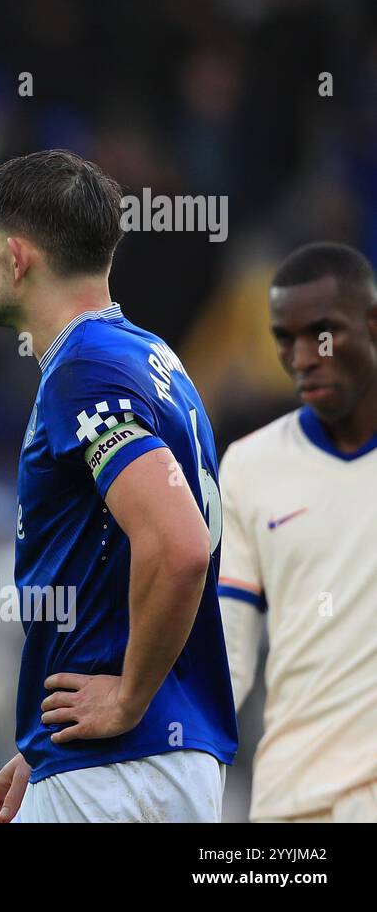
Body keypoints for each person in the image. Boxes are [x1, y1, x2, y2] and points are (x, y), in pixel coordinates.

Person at [0, 150, 236, 823]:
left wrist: (126, 699)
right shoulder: (151, 358)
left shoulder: (86, 372)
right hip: (134, 761)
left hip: (121, 767)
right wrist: (41, 743)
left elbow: (179, 545)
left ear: (18, 256)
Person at [219, 242, 377, 823]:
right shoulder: (249, 466)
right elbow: (228, 655)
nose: (303, 356)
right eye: (285, 338)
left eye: (323, 333)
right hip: (293, 804)